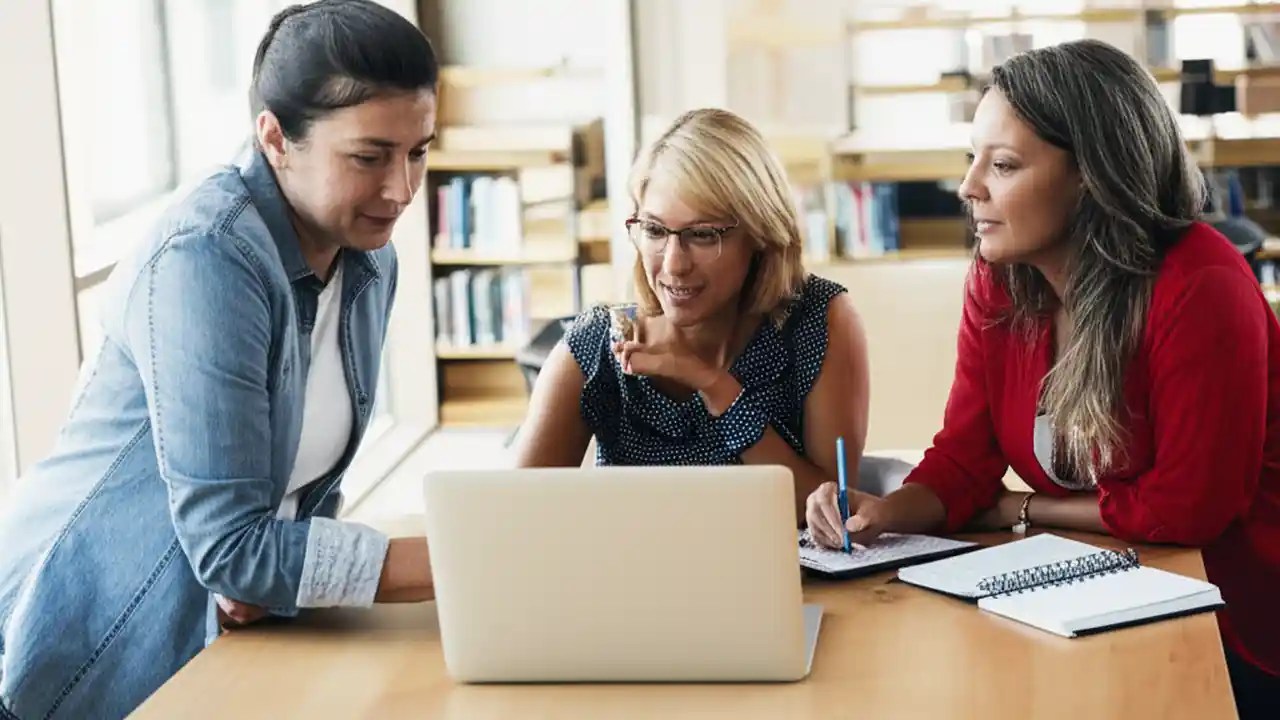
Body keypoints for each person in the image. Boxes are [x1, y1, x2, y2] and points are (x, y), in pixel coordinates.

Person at [804, 39, 1280, 718]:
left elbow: (1191, 510)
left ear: (1092, 176)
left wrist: (1024, 509)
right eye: (973, 160)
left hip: (1241, 615)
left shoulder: (1201, 285)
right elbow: (965, 459)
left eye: (1002, 165)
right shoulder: (1000, 281)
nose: (969, 188)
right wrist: (882, 513)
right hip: (1104, 594)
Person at [0, 2, 437, 717]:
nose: (401, 189)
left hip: (213, 643)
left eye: (417, 150)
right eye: (369, 156)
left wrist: (279, 579)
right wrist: (466, 561)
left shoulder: (368, 260)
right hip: (84, 643)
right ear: (275, 138)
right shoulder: (208, 255)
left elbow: (290, 515)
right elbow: (233, 549)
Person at [514, 108, 870, 523]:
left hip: (777, 584)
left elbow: (833, 515)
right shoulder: (595, 343)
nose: (674, 264)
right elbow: (516, 517)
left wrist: (718, 388)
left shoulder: (819, 320)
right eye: (655, 231)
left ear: (759, 235)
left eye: (703, 235)